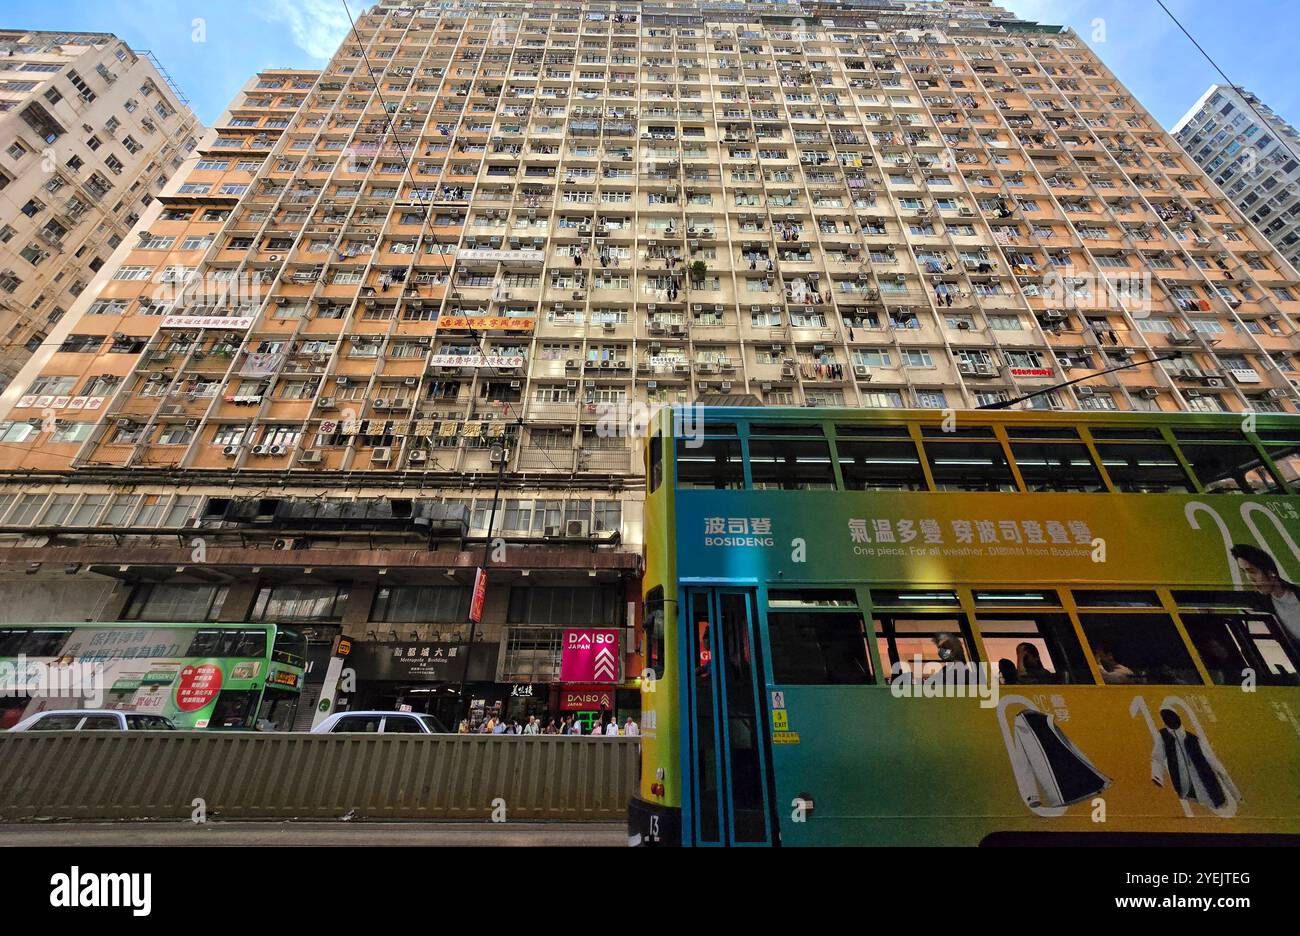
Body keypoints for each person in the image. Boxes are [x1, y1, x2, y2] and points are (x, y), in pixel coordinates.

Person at [1231, 542, 1300, 650]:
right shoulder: (1261, 606)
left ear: (1271, 573)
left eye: (1252, 571)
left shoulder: (1296, 595)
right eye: (1244, 572)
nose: (1249, 579)